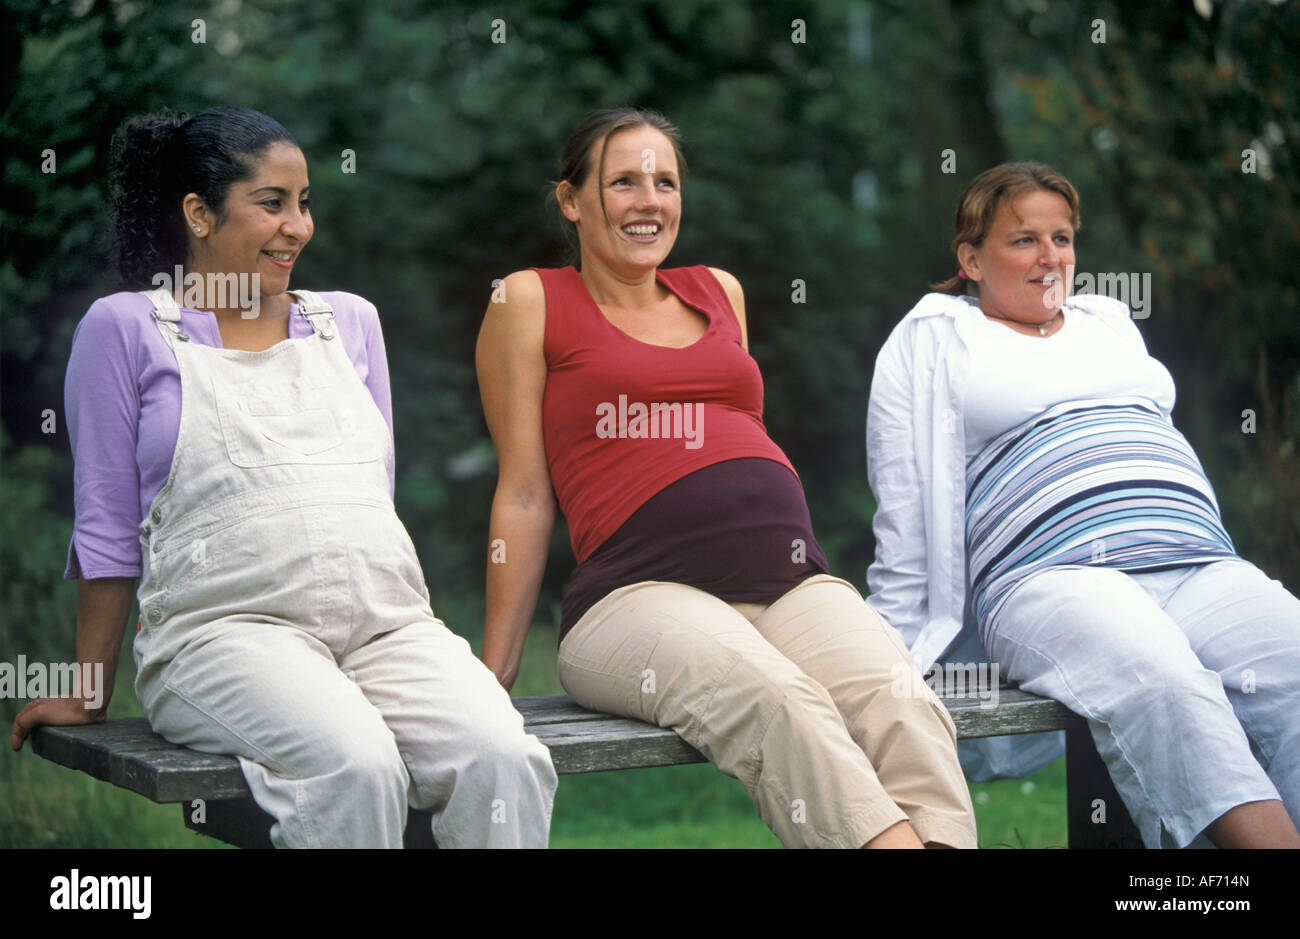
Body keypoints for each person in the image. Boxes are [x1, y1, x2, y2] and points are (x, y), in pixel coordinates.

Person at [11, 106, 557, 848]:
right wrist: (87, 688)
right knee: (357, 766)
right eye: (271, 203)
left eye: (304, 203)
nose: (298, 225)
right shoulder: (127, 329)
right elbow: (106, 527)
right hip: (221, 639)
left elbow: (369, 492)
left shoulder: (350, 322)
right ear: (199, 214)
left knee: (505, 756)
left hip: (386, 627)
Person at [476, 107, 976, 849]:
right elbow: (523, 490)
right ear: (571, 200)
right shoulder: (529, 299)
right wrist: (493, 676)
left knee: (901, 700)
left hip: (788, 584)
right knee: (778, 699)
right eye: (623, 182)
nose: (650, 200)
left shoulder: (718, 290)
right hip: (633, 596)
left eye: (665, 181)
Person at [866, 160, 1300, 848]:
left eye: (1062, 238)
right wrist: (880, 650)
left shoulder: (1107, 321)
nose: (1051, 258)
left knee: (1292, 657)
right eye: (1024, 240)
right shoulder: (930, 341)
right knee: (1162, 681)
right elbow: (905, 511)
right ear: (970, 257)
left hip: (1195, 561)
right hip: (1053, 579)